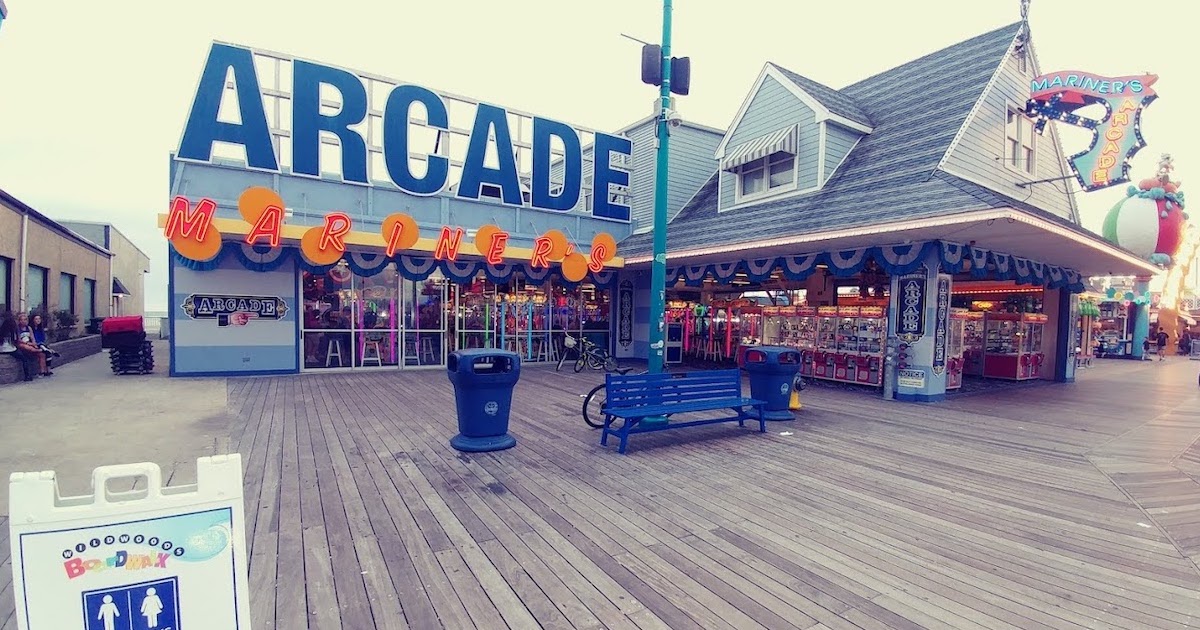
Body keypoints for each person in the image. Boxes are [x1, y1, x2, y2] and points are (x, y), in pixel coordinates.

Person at [1, 314, 39, 381]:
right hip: (10, 349)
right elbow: (15, 341)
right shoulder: (12, 331)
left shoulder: (1, 331)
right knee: (24, 359)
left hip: (1, 349)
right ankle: (27, 376)